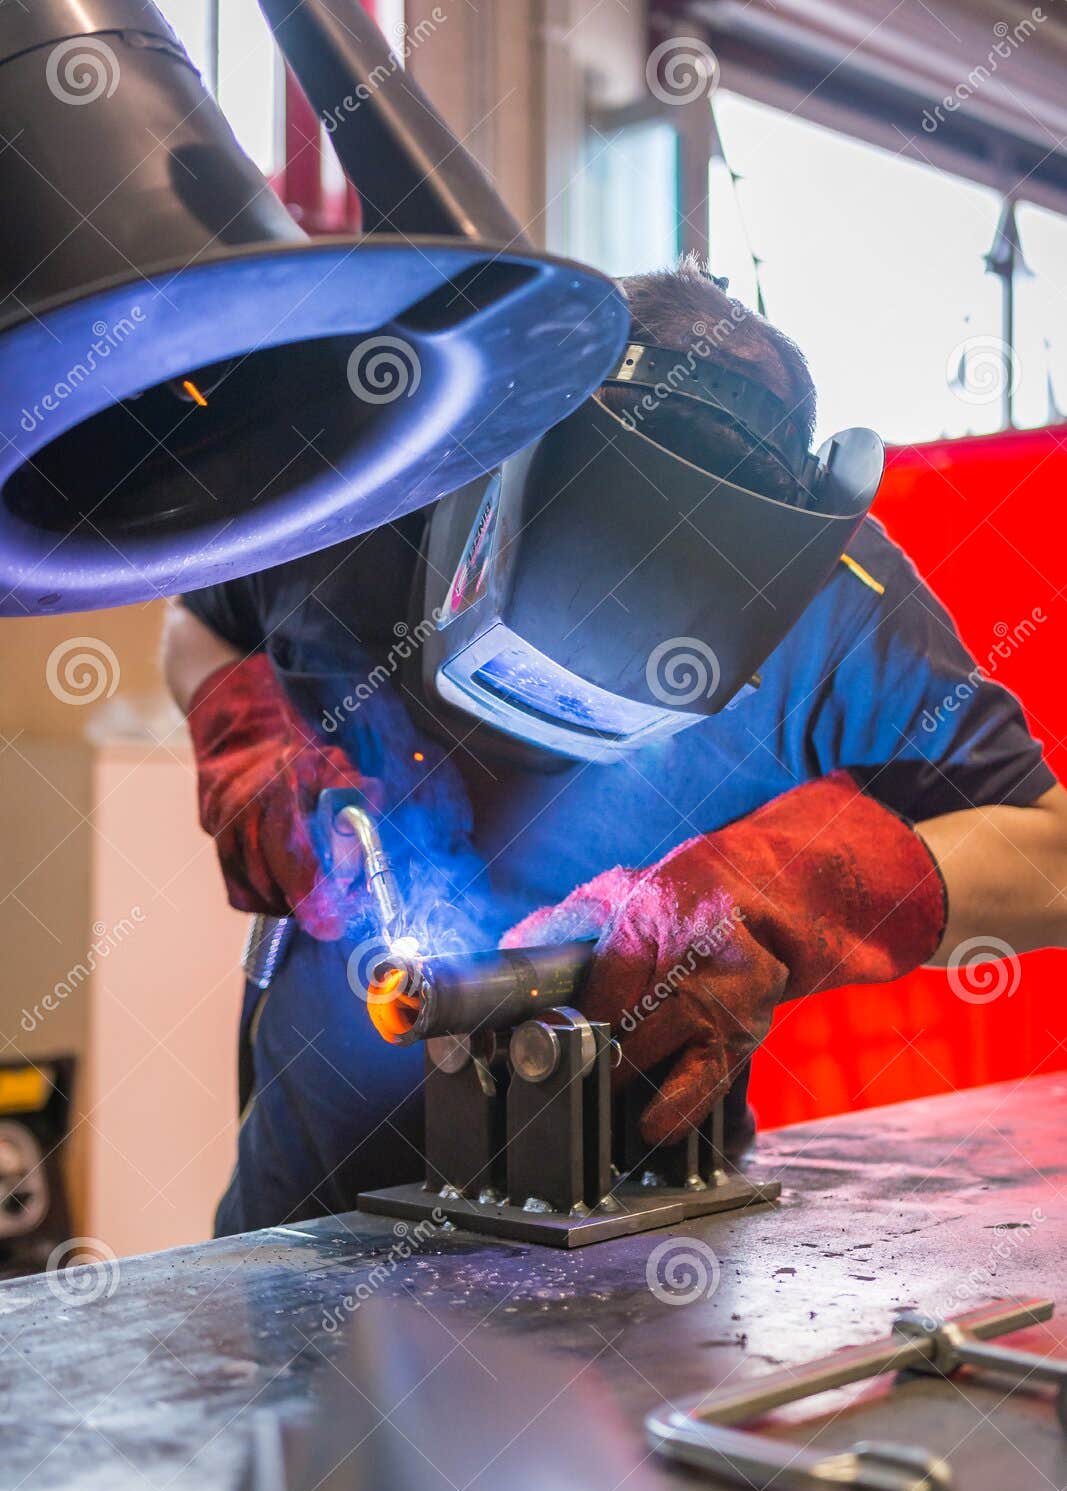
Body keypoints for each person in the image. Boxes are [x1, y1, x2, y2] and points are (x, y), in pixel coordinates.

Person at [164, 258, 1067, 1236]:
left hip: (636, 1238)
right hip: (305, 1203)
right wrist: (250, 739)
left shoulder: (833, 602)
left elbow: (1050, 853)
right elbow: (201, 620)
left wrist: (810, 885)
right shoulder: (383, 469)